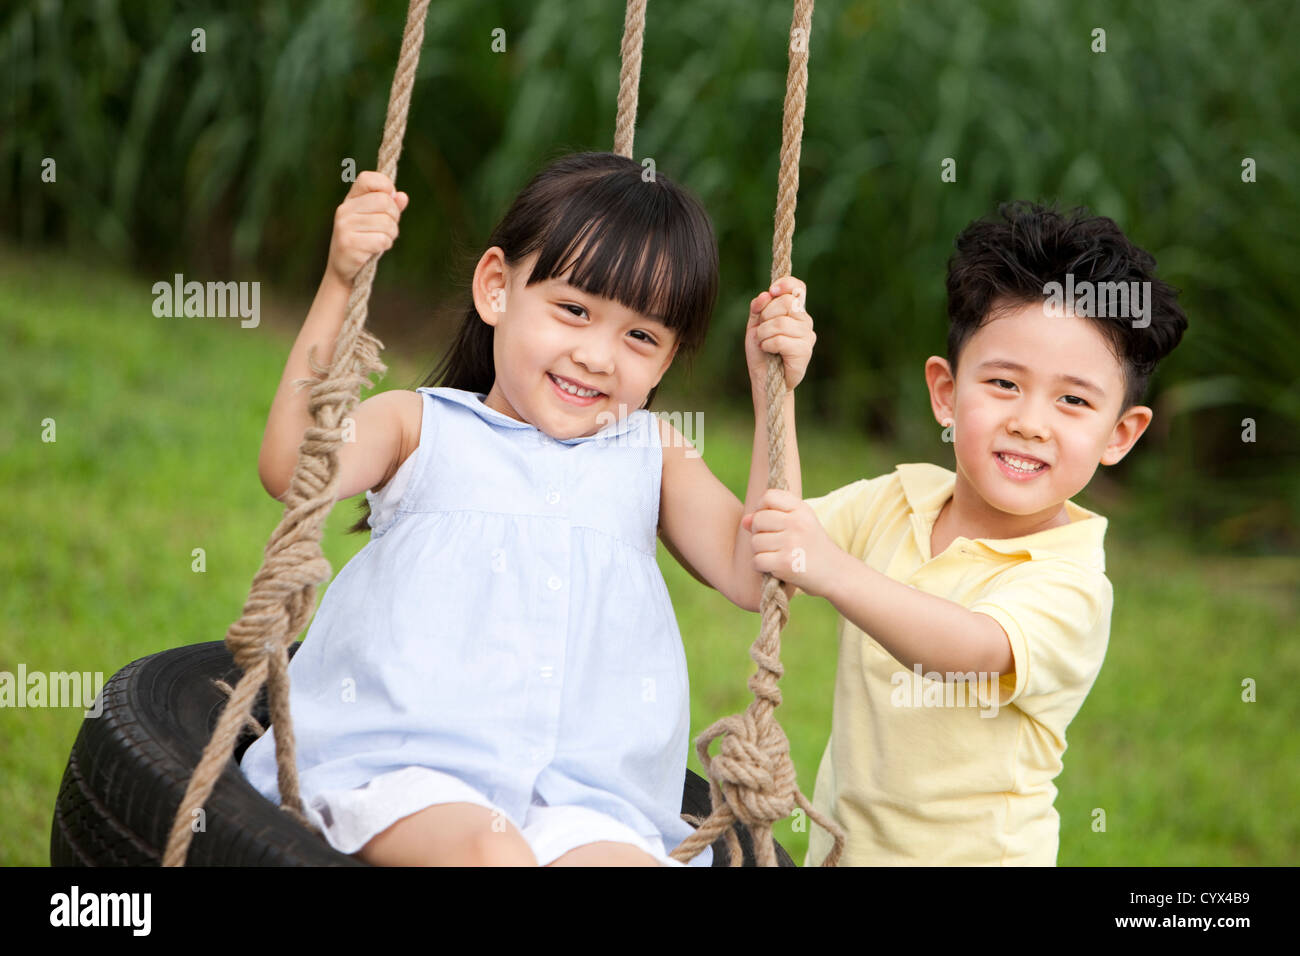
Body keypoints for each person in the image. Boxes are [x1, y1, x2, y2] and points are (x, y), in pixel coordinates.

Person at [240, 151, 816, 867]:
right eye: (574, 310)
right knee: (493, 856)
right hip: (405, 771)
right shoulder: (419, 426)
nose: (599, 356)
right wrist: (340, 282)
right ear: (496, 289)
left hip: (585, 805)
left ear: (665, 361)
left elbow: (757, 569)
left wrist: (774, 394)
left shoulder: (651, 452)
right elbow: (292, 466)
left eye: (640, 336)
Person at [741, 201, 1188, 865]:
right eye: (1005, 383)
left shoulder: (1071, 583)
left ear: (1119, 434)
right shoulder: (896, 501)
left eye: (1073, 400)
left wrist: (830, 567)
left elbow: (965, 648)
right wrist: (770, 389)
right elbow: (765, 559)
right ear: (947, 393)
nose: (1031, 422)